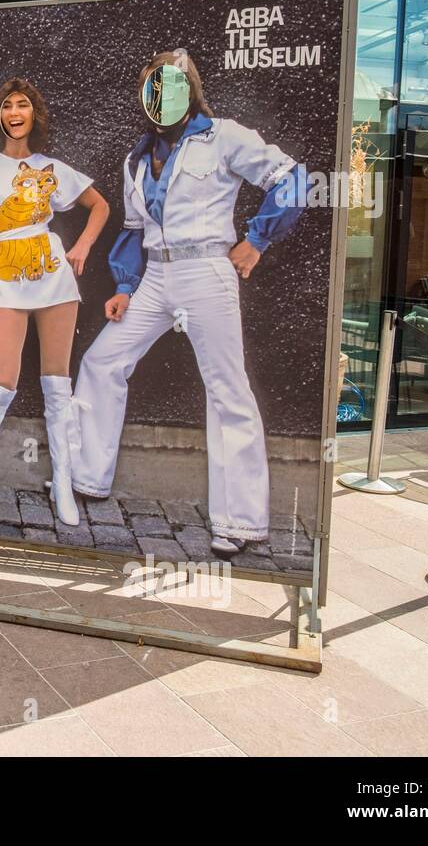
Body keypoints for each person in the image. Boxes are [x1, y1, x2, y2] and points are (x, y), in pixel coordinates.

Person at [71, 50, 309, 555]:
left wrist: (257, 241)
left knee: (227, 390)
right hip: (155, 276)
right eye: (153, 87)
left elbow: (292, 179)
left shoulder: (223, 135)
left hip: (206, 271)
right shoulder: (137, 157)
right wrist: (121, 286)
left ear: (190, 88)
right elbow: (135, 229)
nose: (163, 95)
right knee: (101, 361)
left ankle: (239, 522)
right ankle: (87, 477)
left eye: (172, 85)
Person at [0, 78, 110, 526]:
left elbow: (100, 207)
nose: (14, 113)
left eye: (23, 106)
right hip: (6, 273)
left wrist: (80, 249)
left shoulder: (50, 165)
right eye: (7, 106)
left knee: (57, 382)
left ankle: (63, 482)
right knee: (3, 379)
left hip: (51, 269)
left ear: (33, 115)